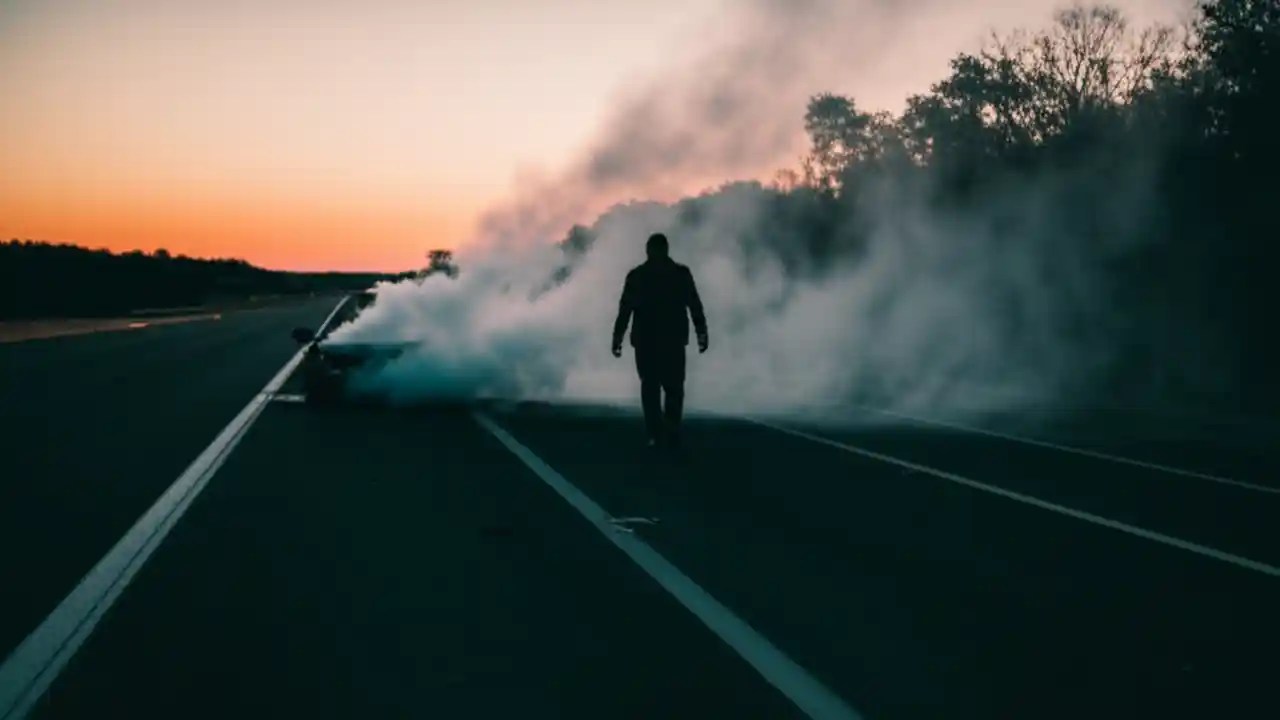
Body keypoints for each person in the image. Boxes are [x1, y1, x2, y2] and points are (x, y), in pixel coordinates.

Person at [612, 232, 708, 448]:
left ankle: (659, 432)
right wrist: (701, 333)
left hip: (651, 342)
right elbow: (694, 305)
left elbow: (625, 309)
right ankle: (666, 430)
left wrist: (617, 337)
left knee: (655, 388)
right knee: (667, 388)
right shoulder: (678, 274)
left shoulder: (639, 275)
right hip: (668, 341)